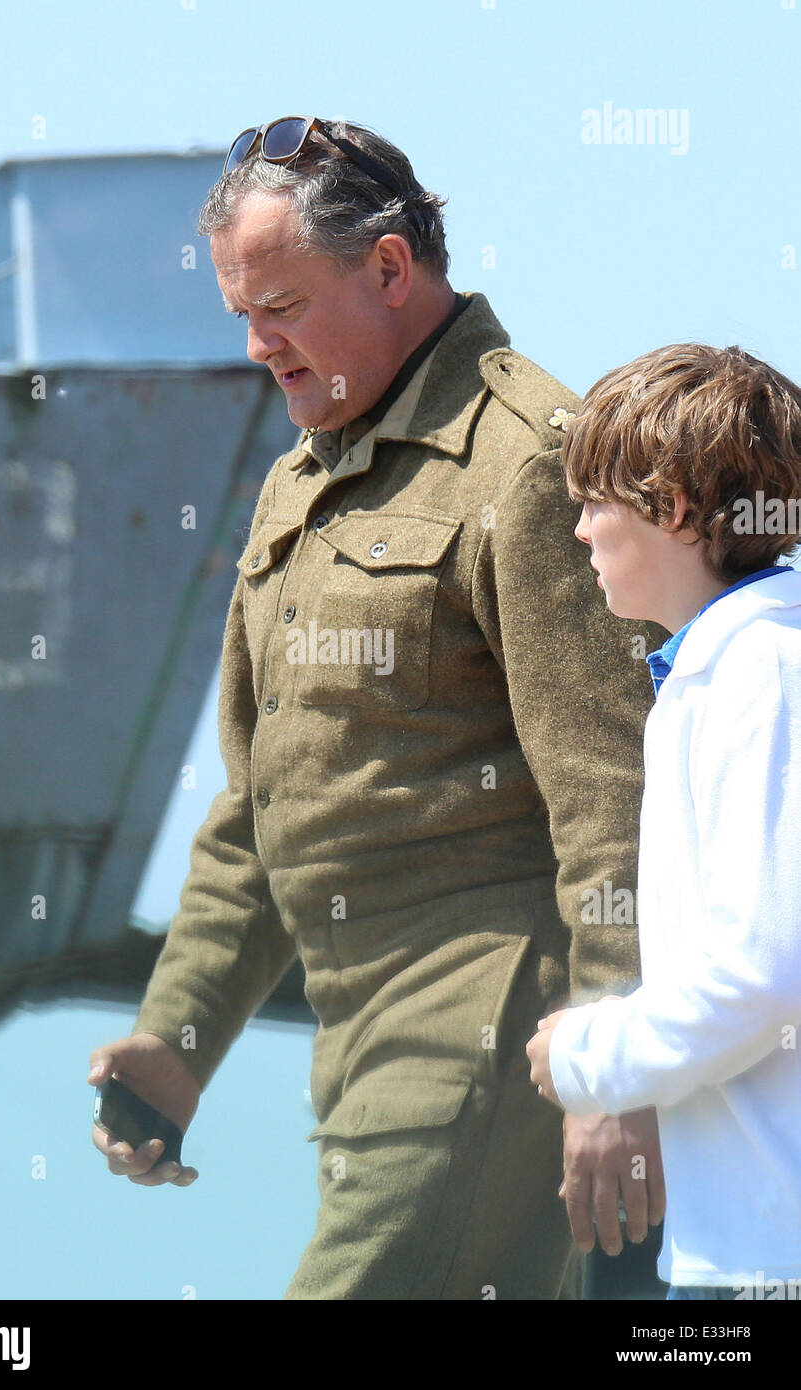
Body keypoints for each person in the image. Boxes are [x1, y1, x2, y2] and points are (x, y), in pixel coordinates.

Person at [89, 116, 665, 1299]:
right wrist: (178, 1039)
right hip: (357, 1050)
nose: (256, 346)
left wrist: (617, 1066)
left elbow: (615, 792)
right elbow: (264, 802)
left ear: (390, 269)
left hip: (493, 1032)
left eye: (282, 307)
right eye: (240, 315)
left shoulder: (525, 462)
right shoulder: (303, 479)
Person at [527, 343, 801, 1300]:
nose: (581, 533)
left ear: (673, 507)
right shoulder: (735, 664)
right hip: (742, 1250)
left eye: (595, 501)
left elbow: (766, 970)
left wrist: (589, 1056)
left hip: (768, 1262)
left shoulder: (760, 670)